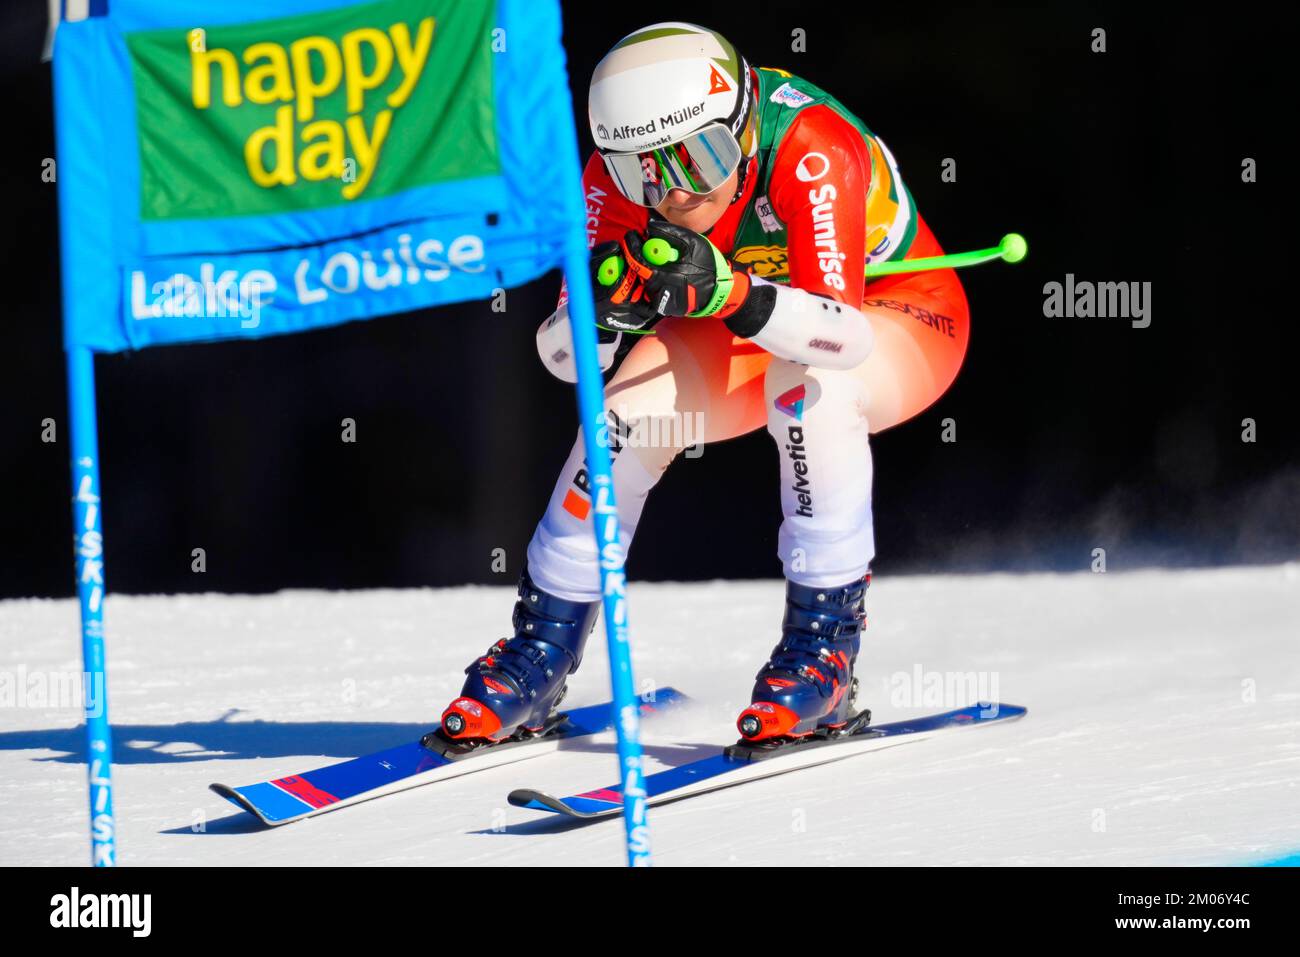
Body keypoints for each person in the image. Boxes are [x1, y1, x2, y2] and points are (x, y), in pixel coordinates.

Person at [438, 22, 969, 744]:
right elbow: (567, 363)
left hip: (894, 315)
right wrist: (602, 318)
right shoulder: (616, 185)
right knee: (622, 417)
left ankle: (824, 653)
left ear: (742, 125)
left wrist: (734, 294)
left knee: (809, 396)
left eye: (700, 156)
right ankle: (542, 648)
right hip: (758, 321)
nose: (675, 192)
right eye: (642, 169)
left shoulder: (809, 147)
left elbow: (843, 337)